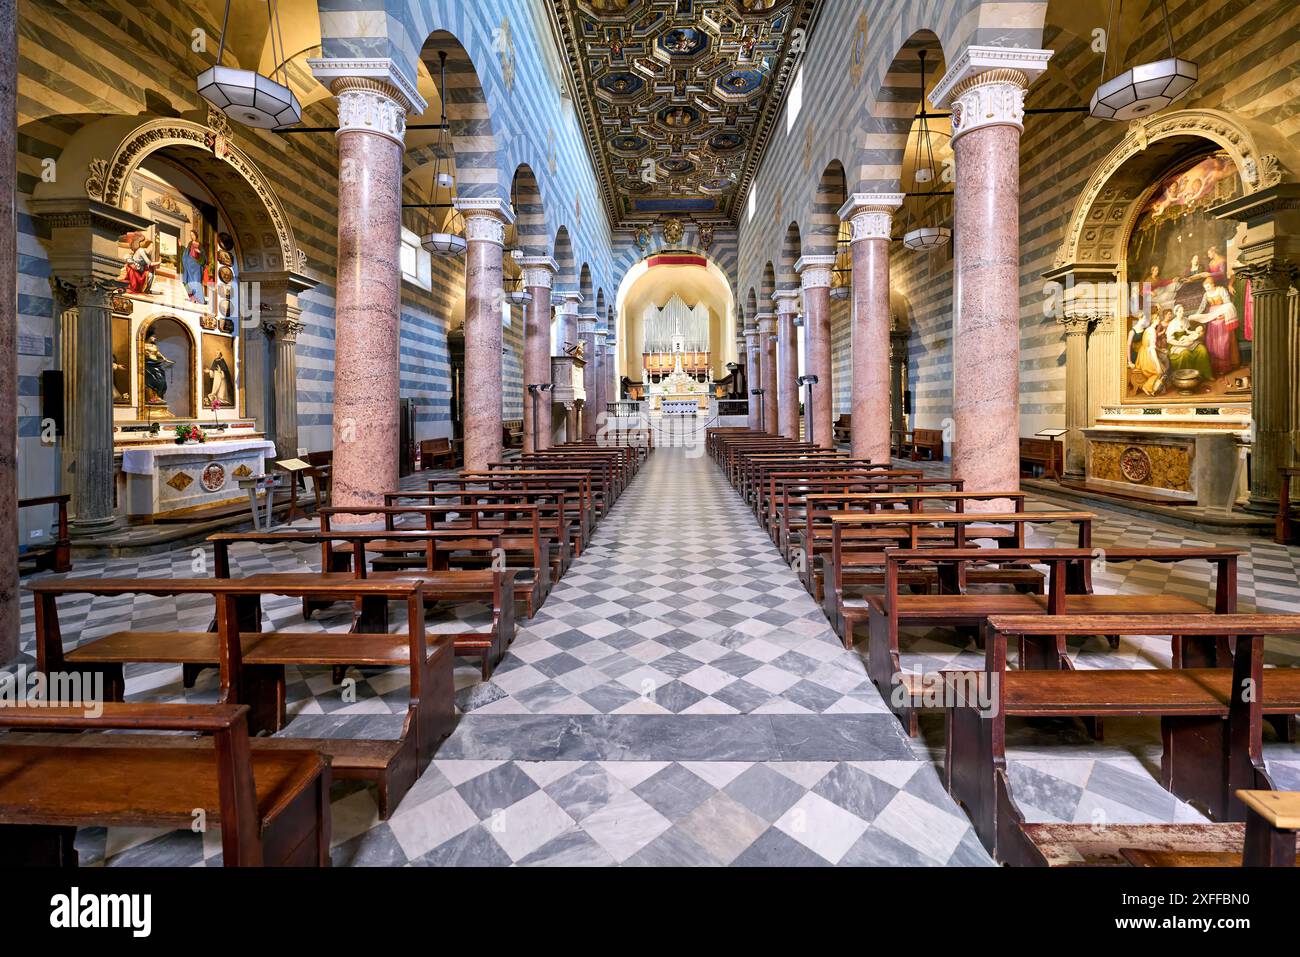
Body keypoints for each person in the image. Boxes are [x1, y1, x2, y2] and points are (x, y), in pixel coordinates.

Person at [1190, 275, 1241, 377]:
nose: (1207, 289)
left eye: (1208, 287)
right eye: (1205, 288)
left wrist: (1223, 314)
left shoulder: (1221, 290)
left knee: (1223, 342)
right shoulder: (1206, 294)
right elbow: (1202, 307)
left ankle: (1225, 367)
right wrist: (1196, 315)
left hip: (1222, 316)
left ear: (1213, 284)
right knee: (1212, 341)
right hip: (1212, 317)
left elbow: (1228, 304)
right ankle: (1215, 367)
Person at [1165, 305, 1213, 385]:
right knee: (1185, 353)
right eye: (1180, 311)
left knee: (1202, 349)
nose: (1182, 313)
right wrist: (1180, 343)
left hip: (1188, 341)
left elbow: (1189, 331)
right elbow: (1169, 340)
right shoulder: (1172, 324)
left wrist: (1192, 336)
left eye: (1183, 311)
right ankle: (1187, 378)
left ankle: (1204, 374)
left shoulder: (1186, 320)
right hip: (1177, 344)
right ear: (1176, 313)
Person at [142, 333, 174, 404]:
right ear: (148, 336)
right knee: (151, 381)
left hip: (156, 364)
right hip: (148, 364)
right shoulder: (142, 345)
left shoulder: (154, 346)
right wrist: (147, 354)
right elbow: (143, 354)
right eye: (153, 336)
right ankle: (152, 398)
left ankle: (158, 396)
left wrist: (165, 359)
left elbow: (158, 353)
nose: (155, 338)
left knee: (162, 380)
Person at [182, 234, 206, 303]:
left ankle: (199, 299)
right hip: (189, 266)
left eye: (193, 235)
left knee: (196, 282)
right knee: (186, 282)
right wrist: (181, 247)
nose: (192, 236)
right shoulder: (190, 243)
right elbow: (186, 252)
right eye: (191, 235)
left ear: (196, 235)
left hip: (196, 266)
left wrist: (199, 251)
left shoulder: (199, 244)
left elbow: (203, 254)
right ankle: (192, 298)